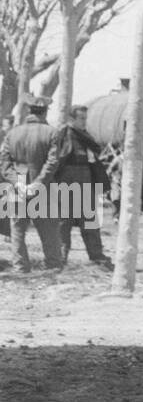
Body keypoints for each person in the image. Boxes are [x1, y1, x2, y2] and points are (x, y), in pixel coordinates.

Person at [33, 104, 113, 269]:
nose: (84, 122)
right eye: (81, 118)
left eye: (85, 118)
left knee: (90, 222)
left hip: (86, 185)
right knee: (64, 223)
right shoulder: (62, 134)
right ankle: (60, 258)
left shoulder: (85, 136)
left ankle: (97, 256)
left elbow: (93, 156)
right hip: (66, 186)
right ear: (71, 119)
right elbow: (56, 159)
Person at [0, 98, 61, 272]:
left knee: (17, 230)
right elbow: (52, 162)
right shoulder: (52, 133)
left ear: (29, 112)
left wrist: (18, 183)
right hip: (43, 189)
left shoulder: (12, 133)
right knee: (48, 230)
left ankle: (20, 268)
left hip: (17, 188)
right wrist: (37, 184)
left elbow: (4, 164)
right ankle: (53, 267)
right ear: (45, 112)